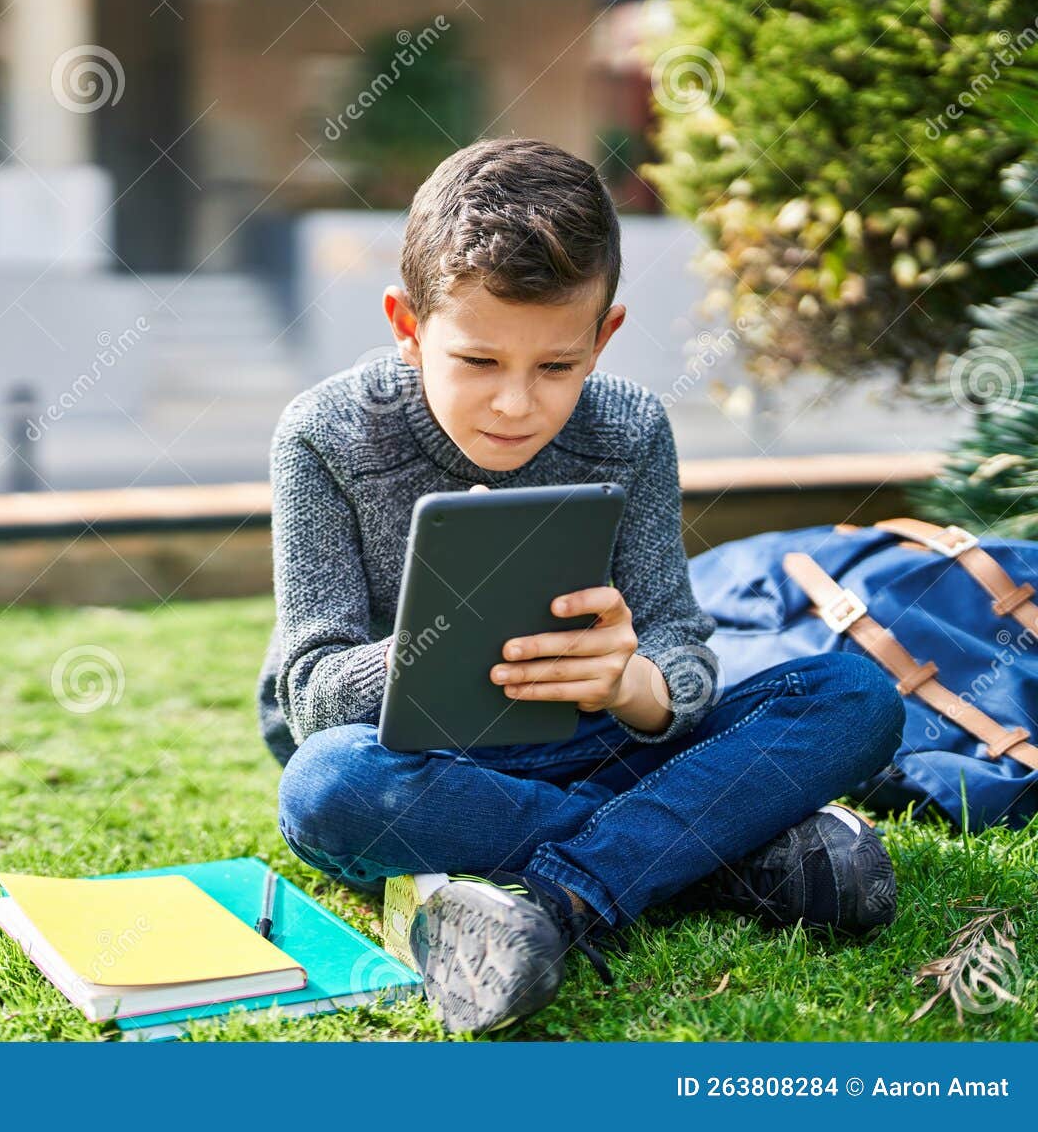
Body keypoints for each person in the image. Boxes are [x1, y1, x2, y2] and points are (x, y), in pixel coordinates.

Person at [255, 137, 905, 1034]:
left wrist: (634, 685)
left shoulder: (629, 428)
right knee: (326, 789)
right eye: (479, 362)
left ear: (605, 335)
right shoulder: (324, 435)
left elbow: (682, 647)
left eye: (557, 366)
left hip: (598, 741)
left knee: (854, 693)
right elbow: (310, 696)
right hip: (428, 769)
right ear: (407, 326)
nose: (517, 404)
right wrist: (439, 638)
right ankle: (720, 853)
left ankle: (565, 899)